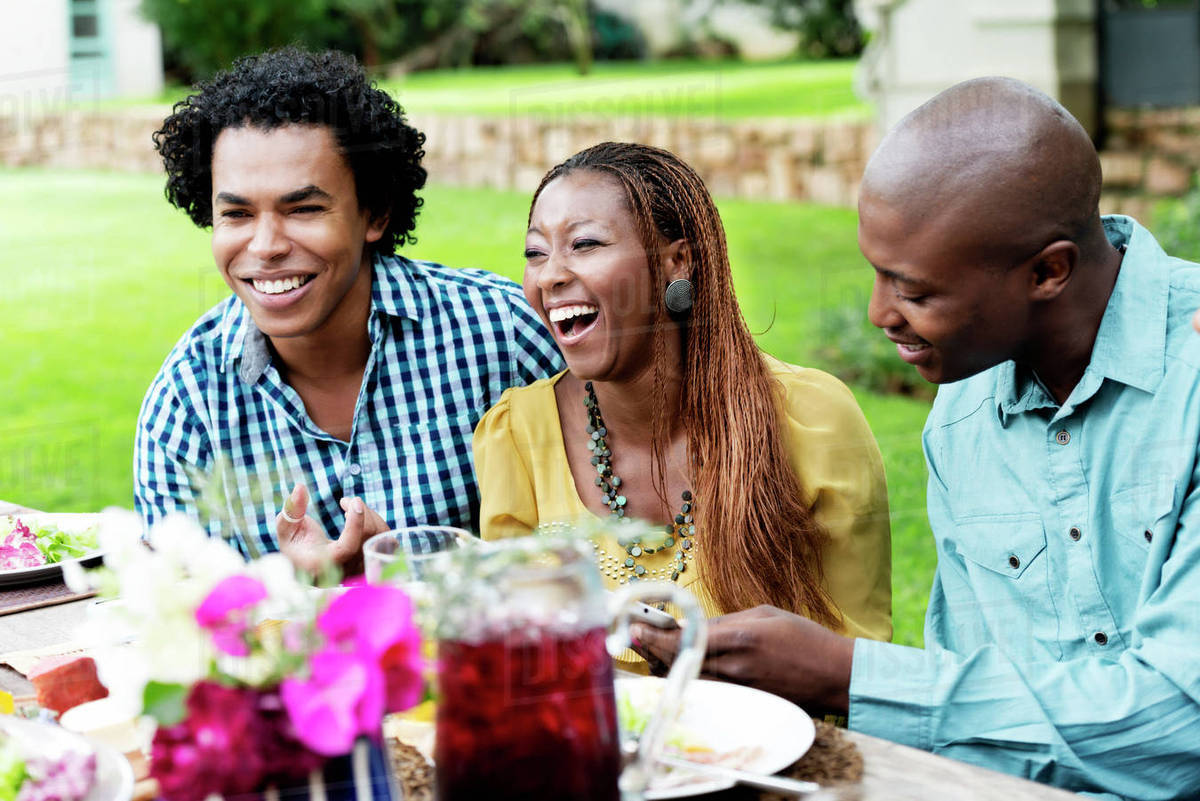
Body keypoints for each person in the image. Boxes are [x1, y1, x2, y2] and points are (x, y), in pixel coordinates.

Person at [632, 77, 1200, 799]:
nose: (878, 313)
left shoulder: (1192, 375)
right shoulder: (963, 415)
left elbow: (1181, 727)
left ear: (1048, 272)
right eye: (877, 275)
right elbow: (978, 716)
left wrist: (845, 671)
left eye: (915, 290)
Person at [135, 48, 563, 566]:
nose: (266, 245)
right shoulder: (186, 407)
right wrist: (310, 600)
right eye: (237, 213)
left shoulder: (505, 336)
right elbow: (185, 622)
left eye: (305, 208)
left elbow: (613, 535)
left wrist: (407, 583)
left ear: (375, 213)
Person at [473, 142, 892, 653]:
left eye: (584, 245)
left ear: (677, 261)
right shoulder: (515, 436)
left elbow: (860, 660)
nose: (551, 275)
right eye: (536, 253)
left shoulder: (813, 422)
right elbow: (516, 656)